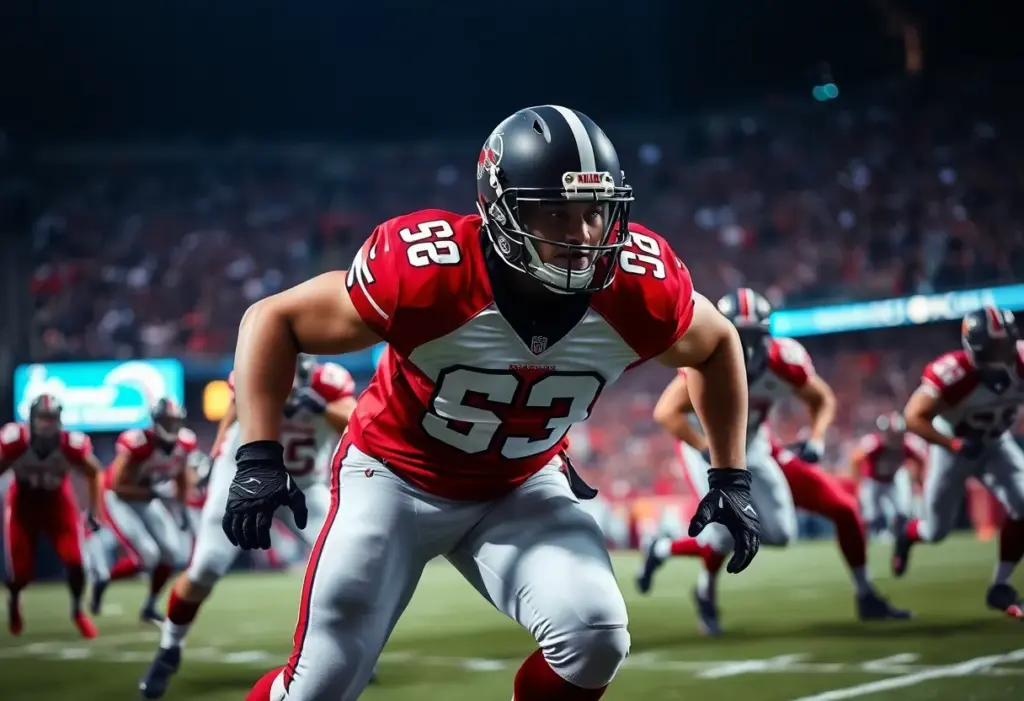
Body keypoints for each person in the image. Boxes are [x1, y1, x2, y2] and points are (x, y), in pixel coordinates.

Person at [223, 104, 761, 701]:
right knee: (318, 688)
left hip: (521, 482)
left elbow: (716, 345)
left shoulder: (640, 287)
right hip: (396, 477)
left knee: (595, 636)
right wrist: (257, 456)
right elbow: (272, 319)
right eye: (554, 213)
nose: (582, 237)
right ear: (498, 211)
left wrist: (730, 473)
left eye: (594, 213)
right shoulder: (428, 273)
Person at [639, 288, 909, 633]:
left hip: (753, 444)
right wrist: (707, 448)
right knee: (723, 534)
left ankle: (663, 549)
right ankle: (703, 592)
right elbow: (666, 413)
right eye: (739, 336)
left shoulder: (785, 361)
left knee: (782, 533)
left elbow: (821, 399)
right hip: (705, 445)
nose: (747, 347)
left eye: (755, 337)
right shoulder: (704, 361)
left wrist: (815, 438)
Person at [138, 358, 357, 699]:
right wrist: (218, 448)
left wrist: (321, 406)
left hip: (304, 485)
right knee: (206, 567)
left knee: (347, 565)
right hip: (246, 477)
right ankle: (169, 649)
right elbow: (236, 407)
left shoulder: (328, 382)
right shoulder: (253, 370)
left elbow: (355, 420)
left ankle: (342, 651)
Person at [896, 305, 1024, 618]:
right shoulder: (953, 375)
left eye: (1003, 347)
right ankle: (910, 533)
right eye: (991, 349)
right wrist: (952, 444)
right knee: (936, 531)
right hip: (952, 447)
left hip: (995, 443)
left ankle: (1000, 585)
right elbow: (912, 418)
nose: (999, 356)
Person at [1, 394, 104, 638]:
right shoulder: (16, 441)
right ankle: (15, 600)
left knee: (76, 562)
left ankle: (78, 611)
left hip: (57, 501)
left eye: (52, 418)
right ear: (32, 419)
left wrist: (94, 511)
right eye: (43, 418)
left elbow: (95, 472)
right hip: (23, 504)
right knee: (21, 572)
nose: (48, 423)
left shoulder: (71, 444)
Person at [93, 398, 195, 624]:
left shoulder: (184, 444)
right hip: (120, 500)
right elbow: (118, 487)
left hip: (148, 498)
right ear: (156, 422)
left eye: (175, 422)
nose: (171, 427)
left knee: (171, 552)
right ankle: (104, 579)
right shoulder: (139, 443)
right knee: (147, 555)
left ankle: (150, 605)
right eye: (167, 422)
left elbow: (180, 476)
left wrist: (182, 508)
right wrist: (154, 494)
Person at [849, 412, 926, 539]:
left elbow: (920, 460)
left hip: (893, 479)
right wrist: (857, 484)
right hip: (873, 480)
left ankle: (898, 535)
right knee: (872, 513)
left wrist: (918, 480)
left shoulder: (906, 445)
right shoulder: (875, 444)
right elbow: (856, 459)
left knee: (902, 511)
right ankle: (877, 534)